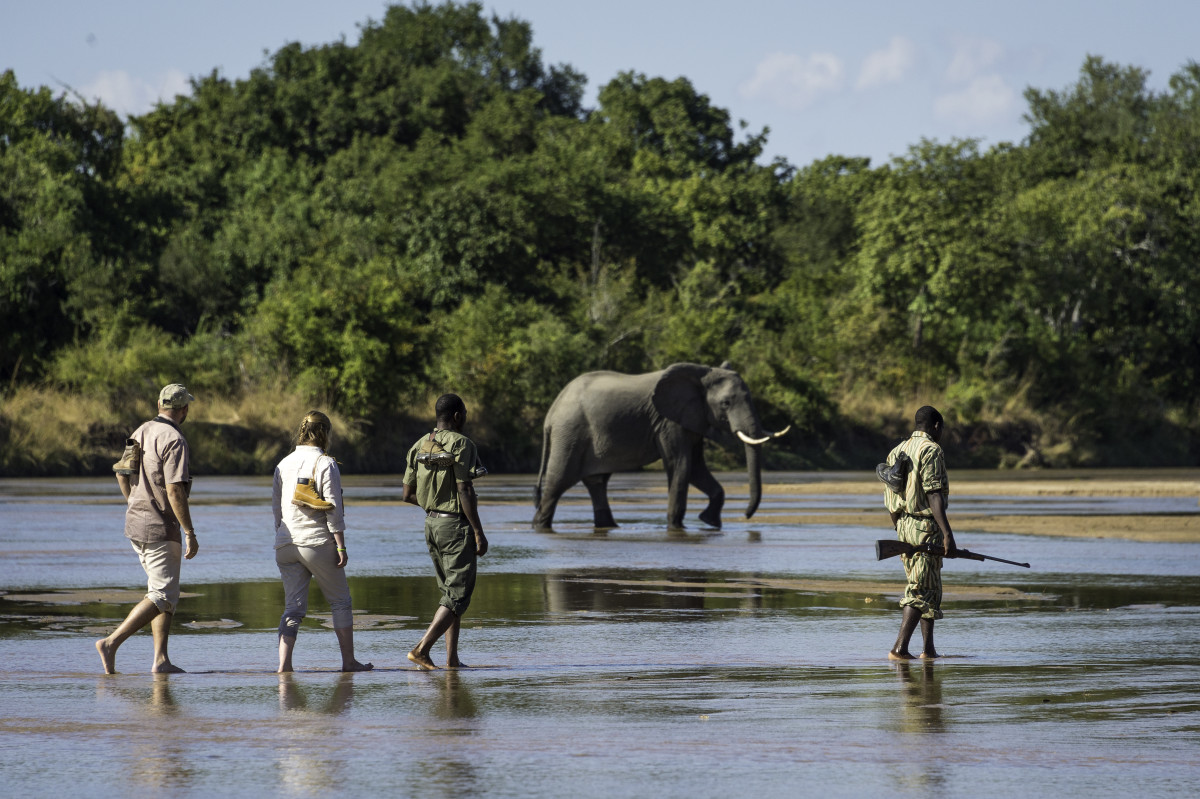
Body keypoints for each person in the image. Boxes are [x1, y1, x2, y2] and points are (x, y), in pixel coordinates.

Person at [96, 383, 199, 674]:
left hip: (136, 525)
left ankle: (160, 660)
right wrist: (189, 532)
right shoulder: (174, 439)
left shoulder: (140, 431)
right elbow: (175, 489)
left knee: (161, 592)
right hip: (160, 527)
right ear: (184, 409)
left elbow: (121, 472)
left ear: (159, 404)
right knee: (163, 595)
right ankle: (111, 642)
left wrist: (135, 503)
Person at [273, 410, 372, 673]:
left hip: (285, 543)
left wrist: (282, 535)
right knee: (341, 602)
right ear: (324, 433)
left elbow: (276, 510)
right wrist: (340, 545)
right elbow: (332, 508)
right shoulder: (326, 463)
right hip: (316, 542)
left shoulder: (283, 463)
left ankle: (284, 666)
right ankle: (349, 662)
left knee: (292, 609)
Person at [402, 393, 489, 670]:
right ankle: (422, 649)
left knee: (450, 594)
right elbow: (465, 488)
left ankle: (452, 660)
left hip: (431, 525)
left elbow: (407, 494)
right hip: (455, 527)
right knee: (458, 595)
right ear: (457, 416)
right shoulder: (463, 444)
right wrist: (477, 531)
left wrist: (433, 506)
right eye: (464, 412)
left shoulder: (418, 445)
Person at [882, 405, 958, 660]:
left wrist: (900, 528)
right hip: (925, 526)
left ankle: (928, 650)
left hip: (903, 525)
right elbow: (933, 492)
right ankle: (899, 649)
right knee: (919, 588)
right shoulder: (931, 449)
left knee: (931, 587)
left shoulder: (896, 451)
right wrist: (947, 533)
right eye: (942, 429)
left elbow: (890, 499)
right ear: (936, 426)